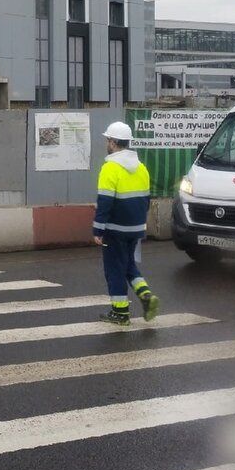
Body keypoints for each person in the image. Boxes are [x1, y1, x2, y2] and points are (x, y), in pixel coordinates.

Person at [92, 122, 159, 326]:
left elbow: (105, 202)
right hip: (136, 228)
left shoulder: (110, 168)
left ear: (112, 142)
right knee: (128, 265)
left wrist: (98, 229)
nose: (106, 143)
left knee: (114, 270)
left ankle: (120, 313)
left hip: (115, 230)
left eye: (107, 140)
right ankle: (146, 295)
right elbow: (146, 201)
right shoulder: (141, 168)